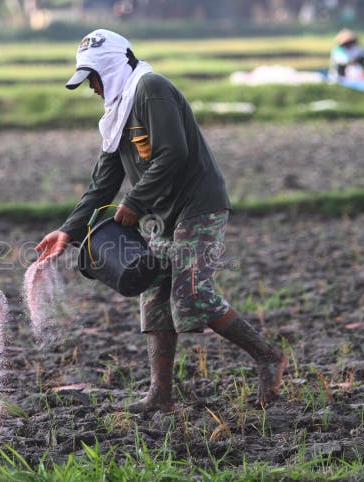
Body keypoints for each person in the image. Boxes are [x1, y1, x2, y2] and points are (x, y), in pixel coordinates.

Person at [35, 30, 286, 411]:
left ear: (111, 68)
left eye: (94, 79)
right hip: (165, 215)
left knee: (192, 297)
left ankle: (268, 355)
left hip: (198, 205)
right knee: (154, 296)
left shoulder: (151, 89)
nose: (93, 90)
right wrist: (67, 232)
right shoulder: (116, 118)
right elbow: (101, 186)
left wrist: (135, 201)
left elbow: (173, 153)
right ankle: (160, 395)